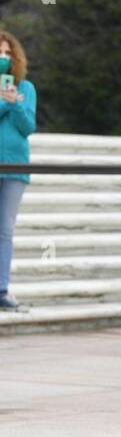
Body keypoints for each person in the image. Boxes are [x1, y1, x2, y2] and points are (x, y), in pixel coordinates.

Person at [0, 30, 37, 314]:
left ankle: (1, 289)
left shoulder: (27, 88)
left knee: (5, 230)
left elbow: (28, 127)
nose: (3, 57)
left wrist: (15, 103)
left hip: (15, 167)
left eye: (7, 52)